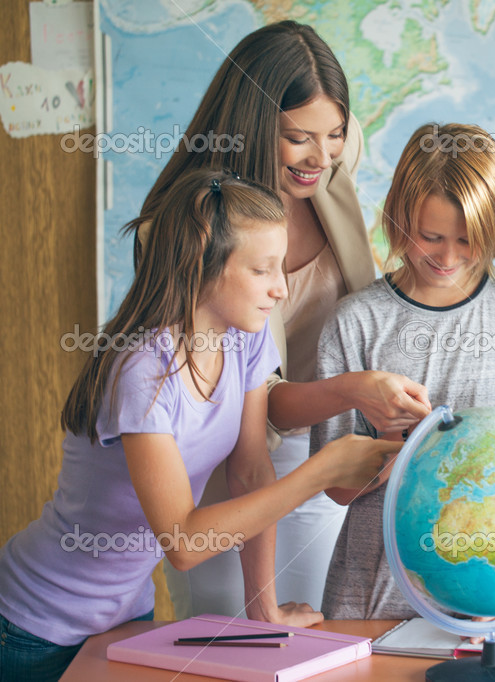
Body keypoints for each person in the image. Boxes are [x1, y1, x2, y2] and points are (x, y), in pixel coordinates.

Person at [0, 170, 399, 682]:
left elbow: (252, 473)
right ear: (202, 264)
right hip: (35, 626)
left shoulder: (246, 340)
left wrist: (265, 612)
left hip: (126, 616)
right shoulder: (141, 369)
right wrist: (321, 472)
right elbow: (183, 543)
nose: (280, 289)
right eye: (263, 270)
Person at [129, 21, 430, 617]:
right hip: (227, 469)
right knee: (229, 639)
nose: (323, 157)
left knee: (314, 635)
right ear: (251, 127)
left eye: (336, 134)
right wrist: (355, 391)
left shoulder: (327, 166)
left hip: (331, 456)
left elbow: (333, 137)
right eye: (299, 139)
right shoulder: (185, 233)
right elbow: (252, 405)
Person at [312, 123, 495, 626]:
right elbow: (335, 489)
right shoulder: (356, 322)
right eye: (430, 237)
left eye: (468, 240)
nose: (448, 258)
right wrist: (393, 444)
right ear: (400, 218)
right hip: (375, 603)